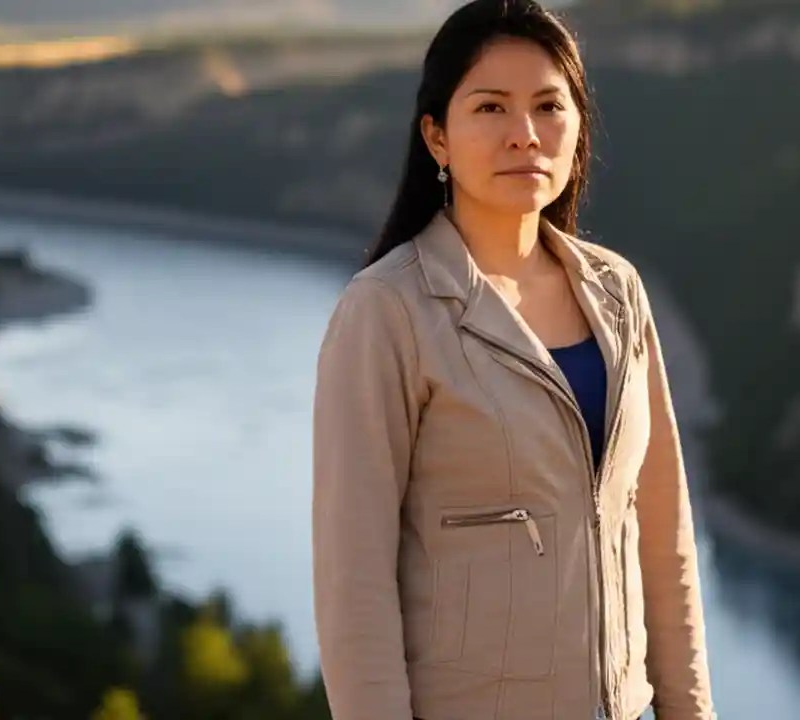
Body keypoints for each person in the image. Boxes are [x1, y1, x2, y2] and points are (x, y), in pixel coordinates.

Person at [311, 1, 716, 718]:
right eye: (491, 108)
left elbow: (664, 540)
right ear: (437, 136)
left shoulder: (618, 292)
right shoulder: (387, 312)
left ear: (578, 128)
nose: (525, 135)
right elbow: (354, 583)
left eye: (548, 107)